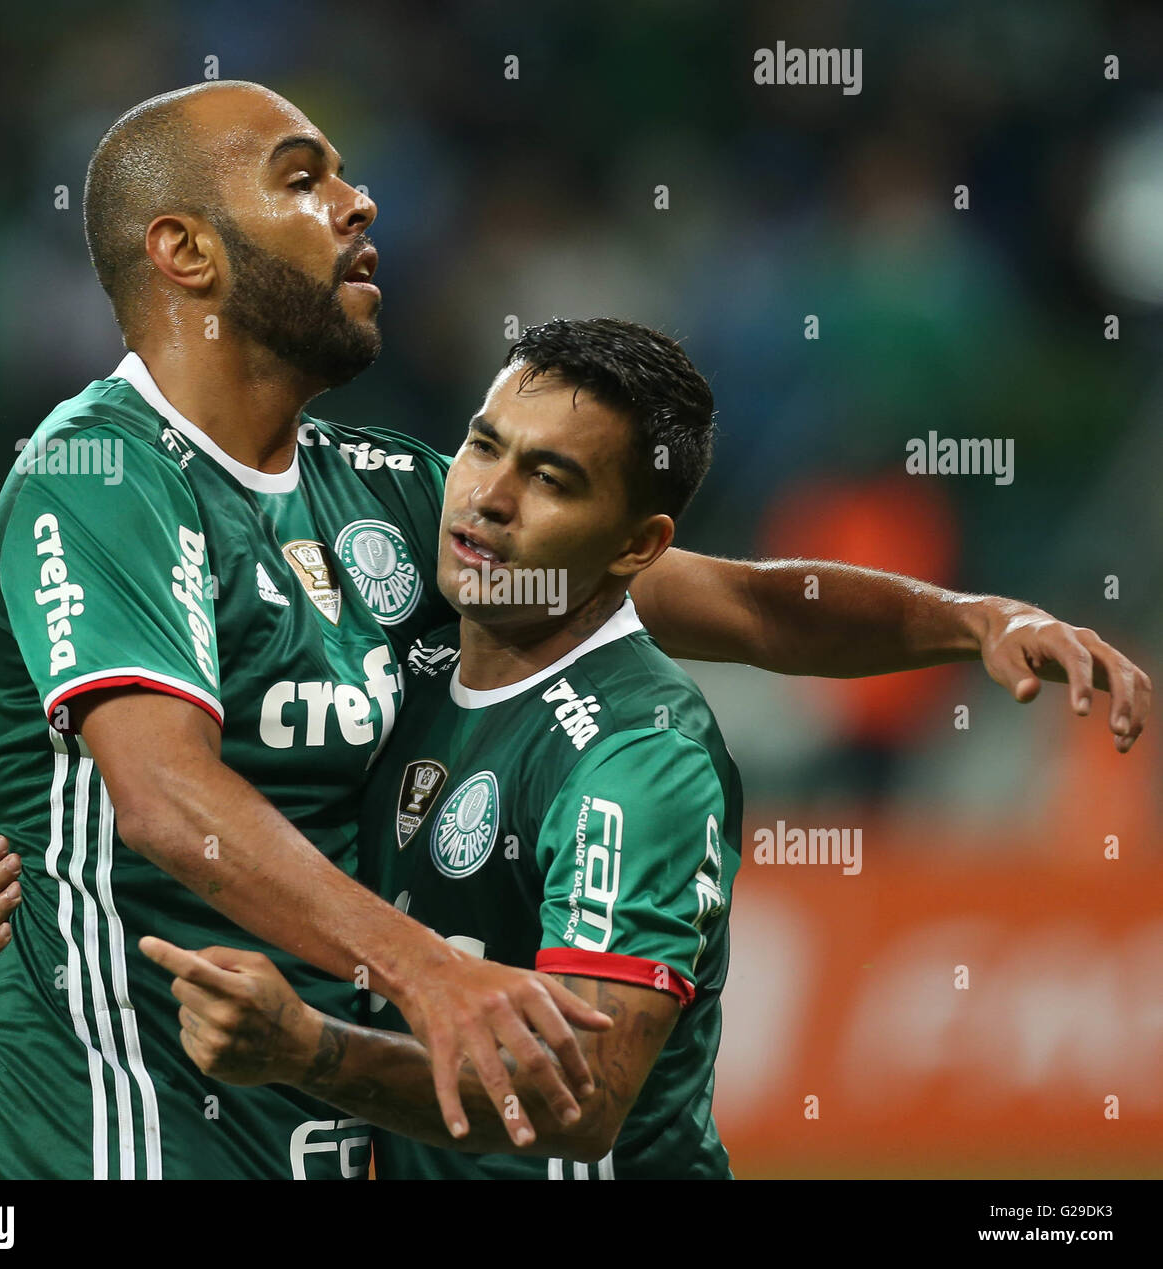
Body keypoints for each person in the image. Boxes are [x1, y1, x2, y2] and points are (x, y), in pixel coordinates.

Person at [0, 79, 1150, 1181]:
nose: (359, 200)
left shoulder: (375, 489)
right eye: (302, 177)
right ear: (185, 252)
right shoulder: (104, 470)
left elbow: (733, 601)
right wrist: (431, 974)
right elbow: (165, 798)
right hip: (111, 1148)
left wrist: (968, 618)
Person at [145, 316, 740, 1178]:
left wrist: (310, 1050)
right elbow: (248, 822)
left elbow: (582, 1101)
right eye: (483, 445)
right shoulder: (404, 674)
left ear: (637, 546)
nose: (489, 497)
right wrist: (45, 871)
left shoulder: (639, 757)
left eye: (552, 480)